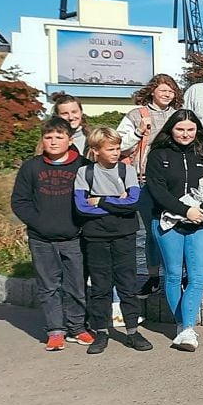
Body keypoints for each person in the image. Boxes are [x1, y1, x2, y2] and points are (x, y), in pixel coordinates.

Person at [145, 110, 203, 351]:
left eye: (190, 129)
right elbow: (157, 190)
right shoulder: (159, 155)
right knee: (173, 275)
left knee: (200, 276)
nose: (185, 134)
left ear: (197, 131)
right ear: (171, 129)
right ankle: (186, 327)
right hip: (168, 222)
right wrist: (184, 209)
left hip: (199, 222)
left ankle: (185, 328)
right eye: (180, 129)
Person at [11, 117, 91, 352]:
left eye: (59, 137)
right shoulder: (31, 167)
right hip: (41, 238)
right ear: (42, 140)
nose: (53, 141)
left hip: (74, 237)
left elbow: (92, 199)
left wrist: (81, 223)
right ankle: (55, 331)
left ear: (69, 139)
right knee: (49, 286)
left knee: (76, 285)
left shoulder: (84, 166)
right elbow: (20, 201)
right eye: (48, 137)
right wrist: (39, 223)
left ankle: (78, 327)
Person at [73, 126, 151, 354]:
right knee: (100, 287)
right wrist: (117, 202)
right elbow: (80, 207)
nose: (116, 153)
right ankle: (101, 331)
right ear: (96, 151)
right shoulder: (85, 173)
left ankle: (132, 331)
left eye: (118, 148)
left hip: (124, 235)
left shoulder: (126, 171)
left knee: (128, 285)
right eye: (111, 149)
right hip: (96, 236)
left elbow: (133, 203)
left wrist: (100, 201)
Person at [117, 74, 185, 298]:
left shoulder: (178, 115)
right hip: (144, 180)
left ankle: (179, 276)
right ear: (152, 91)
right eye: (163, 90)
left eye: (171, 90)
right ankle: (154, 277)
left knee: (179, 230)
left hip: (174, 181)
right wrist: (137, 132)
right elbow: (118, 146)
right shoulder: (136, 114)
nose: (167, 94)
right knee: (153, 232)